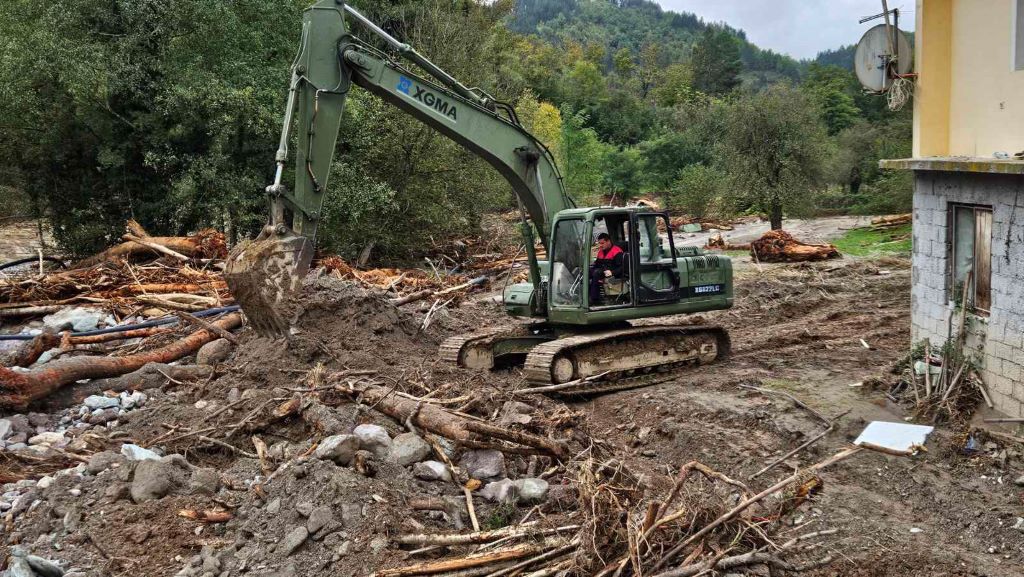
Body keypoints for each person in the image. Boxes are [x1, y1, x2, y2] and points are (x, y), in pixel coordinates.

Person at [590, 233, 624, 305]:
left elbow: (622, 267)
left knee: (596, 272)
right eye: (599, 243)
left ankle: (594, 299)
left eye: (602, 243)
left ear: (608, 241)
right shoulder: (601, 252)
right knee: (588, 271)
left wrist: (612, 272)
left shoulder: (617, 252)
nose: (601, 245)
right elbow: (597, 264)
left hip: (612, 274)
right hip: (601, 271)